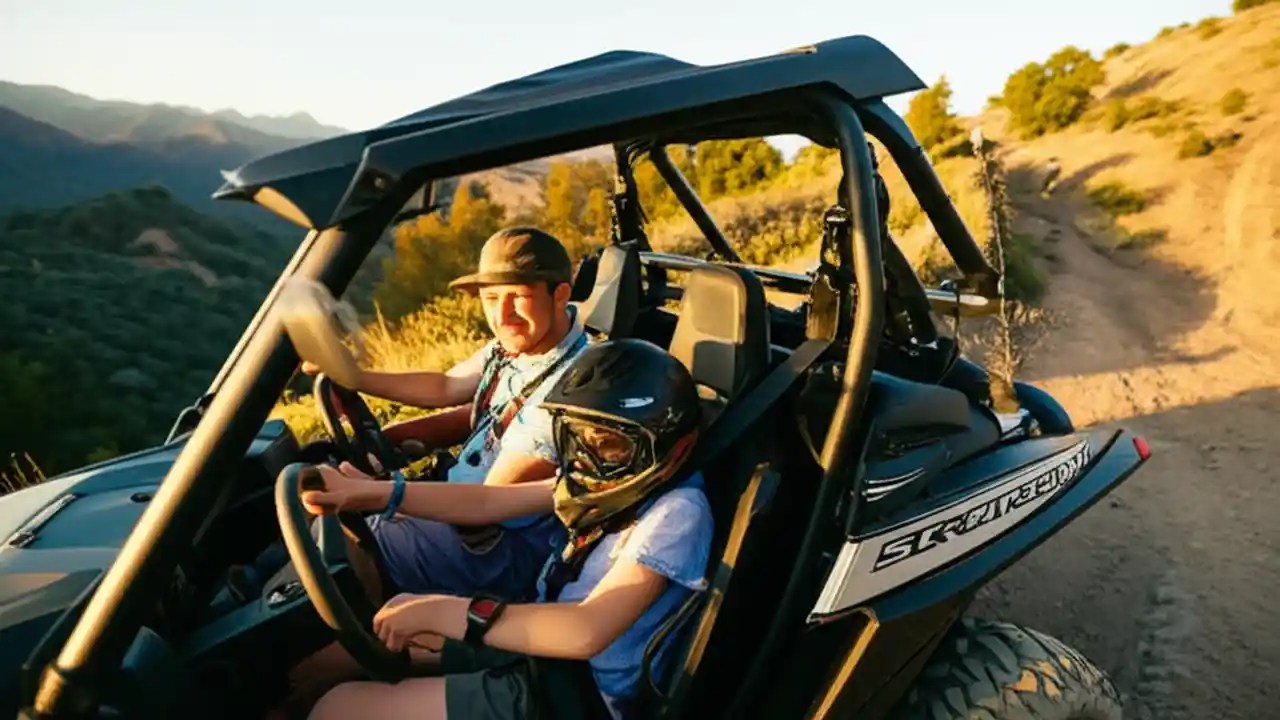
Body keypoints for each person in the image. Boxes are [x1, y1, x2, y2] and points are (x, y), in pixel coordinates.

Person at [300, 339, 713, 720]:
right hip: (539, 649)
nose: (586, 457)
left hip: (572, 694)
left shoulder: (677, 513)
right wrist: (369, 494)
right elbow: (485, 502)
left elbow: (587, 630)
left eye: (609, 444)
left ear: (671, 447)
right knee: (335, 660)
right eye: (575, 437)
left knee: (336, 710)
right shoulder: (607, 481)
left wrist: (445, 611)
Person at [231, 226, 590, 606]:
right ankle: (258, 586)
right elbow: (446, 387)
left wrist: (380, 494)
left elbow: (486, 502)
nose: (503, 315)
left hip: (497, 549)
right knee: (317, 478)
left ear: (560, 294)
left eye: (518, 297)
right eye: (491, 298)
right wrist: (355, 377)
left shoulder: (570, 391)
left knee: (355, 539)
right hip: (464, 510)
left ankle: (282, 617)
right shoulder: (516, 348)